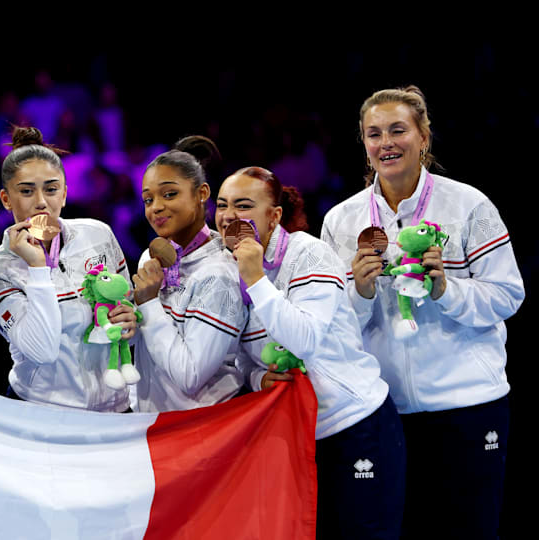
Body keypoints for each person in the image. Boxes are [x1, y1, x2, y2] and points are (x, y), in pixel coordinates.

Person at [321, 85, 524, 538]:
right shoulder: (341, 220)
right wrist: (359, 291)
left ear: (423, 136)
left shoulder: (469, 205)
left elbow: (508, 294)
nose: (386, 143)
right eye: (374, 134)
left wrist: (447, 290)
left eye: (398, 130)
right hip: (384, 412)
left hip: (467, 405)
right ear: (364, 143)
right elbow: (331, 326)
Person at [221, 166, 404, 539]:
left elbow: (303, 339)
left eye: (243, 206)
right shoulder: (227, 267)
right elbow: (241, 356)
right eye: (223, 206)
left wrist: (256, 279)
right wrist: (259, 377)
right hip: (298, 436)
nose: (228, 217)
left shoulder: (311, 254)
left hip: (355, 425)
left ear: (274, 217)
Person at [0, 126, 138, 411]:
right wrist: (37, 269)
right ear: (6, 199)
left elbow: (128, 315)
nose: (41, 202)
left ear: (65, 194)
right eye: (26, 191)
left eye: (51, 189)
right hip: (43, 414)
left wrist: (132, 323)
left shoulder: (99, 235)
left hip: (116, 409)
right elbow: (41, 350)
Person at [130, 136, 247, 412]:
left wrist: (148, 303)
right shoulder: (151, 256)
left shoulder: (219, 274)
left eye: (169, 194)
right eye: (148, 199)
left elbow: (189, 375)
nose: (156, 207)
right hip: (152, 424)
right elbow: (147, 344)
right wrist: (127, 323)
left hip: (202, 429)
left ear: (202, 193)